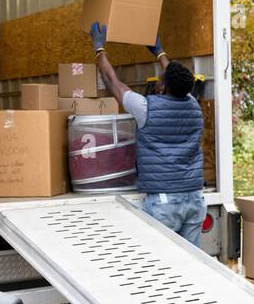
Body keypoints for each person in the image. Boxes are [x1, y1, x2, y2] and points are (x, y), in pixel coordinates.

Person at [88, 22, 205, 246]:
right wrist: (160, 53)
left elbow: (112, 81)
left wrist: (99, 48)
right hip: (194, 200)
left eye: (161, 80)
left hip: (165, 203)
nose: (159, 81)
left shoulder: (145, 109)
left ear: (162, 87)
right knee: (192, 267)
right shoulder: (193, 105)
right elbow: (176, 78)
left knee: (162, 266)